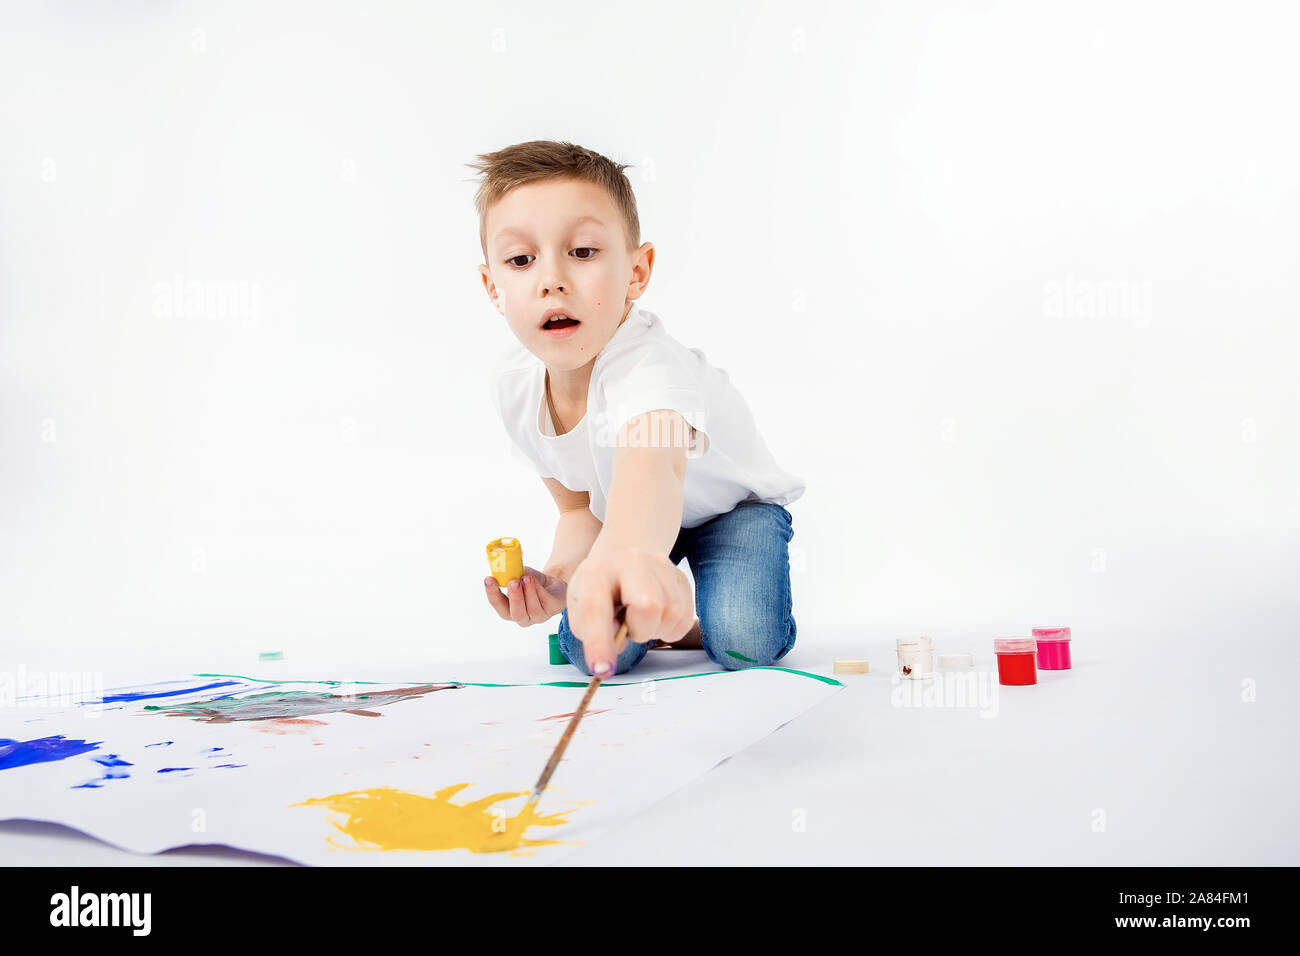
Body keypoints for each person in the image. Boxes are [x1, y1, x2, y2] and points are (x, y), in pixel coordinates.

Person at [469, 140, 804, 678]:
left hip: (731, 512)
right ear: (493, 287)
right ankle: (683, 619)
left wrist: (630, 555)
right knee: (592, 651)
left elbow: (656, 468)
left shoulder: (650, 366)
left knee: (745, 642)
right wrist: (561, 580)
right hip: (633, 529)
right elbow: (580, 509)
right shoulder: (515, 387)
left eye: (582, 252)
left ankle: (710, 613)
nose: (551, 278)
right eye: (521, 260)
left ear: (636, 272)